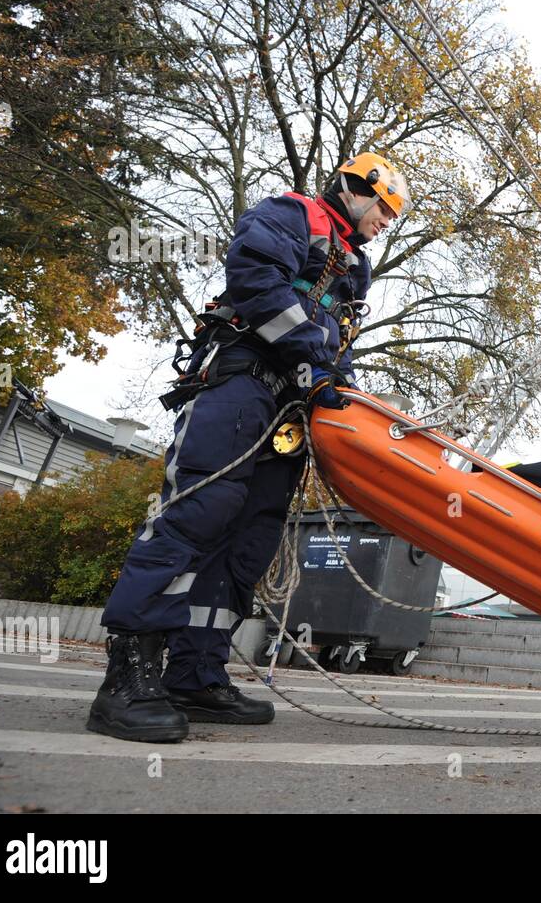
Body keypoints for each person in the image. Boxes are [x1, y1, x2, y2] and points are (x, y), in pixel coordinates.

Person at [87, 153, 411, 743]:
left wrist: (344, 395)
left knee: (249, 541)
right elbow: (256, 280)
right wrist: (312, 355)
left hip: (289, 412)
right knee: (195, 518)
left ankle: (196, 673)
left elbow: (334, 350)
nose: (389, 220)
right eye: (386, 207)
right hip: (240, 387)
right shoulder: (292, 215)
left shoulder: (351, 270)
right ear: (354, 190)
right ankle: (127, 680)